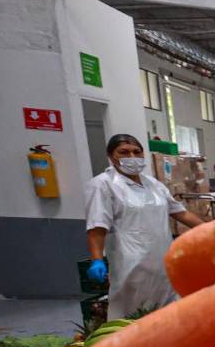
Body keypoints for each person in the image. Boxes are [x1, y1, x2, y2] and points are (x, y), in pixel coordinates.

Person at [85, 134, 206, 318]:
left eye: (136, 151)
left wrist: (213, 230)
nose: (132, 157)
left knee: (167, 313)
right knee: (134, 316)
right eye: (124, 152)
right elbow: (97, 226)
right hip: (130, 266)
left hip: (161, 262)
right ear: (111, 156)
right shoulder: (103, 185)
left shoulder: (153, 184)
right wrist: (96, 259)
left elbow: (181, 213)